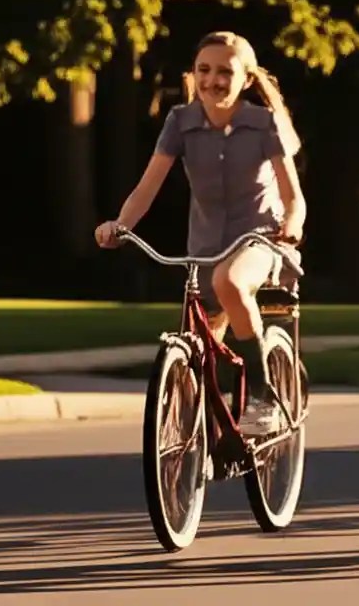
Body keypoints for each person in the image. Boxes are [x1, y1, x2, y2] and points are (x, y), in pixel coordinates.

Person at [94, 31, 306, 436]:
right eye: (204, 70)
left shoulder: (264, 124)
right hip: (204, 247)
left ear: (246, 79)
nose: (213, 80)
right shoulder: (180, 122)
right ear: (193, 75)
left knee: (230, 281)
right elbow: (146, 188)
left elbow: (293, 197)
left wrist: (292, 226)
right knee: (198, 348)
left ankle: (263, 398)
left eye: (225, 71)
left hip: (260, 238)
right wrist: (121, 226)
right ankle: (199, 435)